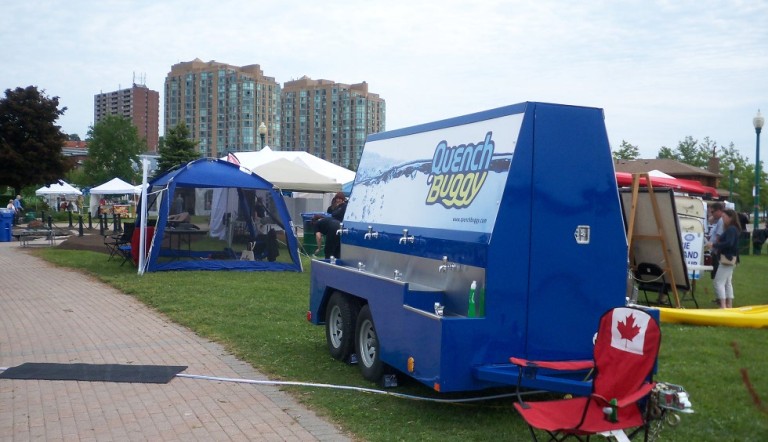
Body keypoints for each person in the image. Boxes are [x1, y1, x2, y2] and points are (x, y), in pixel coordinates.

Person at [711, 209, 741, 309]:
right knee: (727, 282)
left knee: (718, 282)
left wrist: (715, 245)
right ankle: (729, 305)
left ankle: (723, 306)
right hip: (731, 258)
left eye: (724, 217)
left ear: (730, 217)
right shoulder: (734, 229)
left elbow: (729, 243)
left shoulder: (731, 229)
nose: (722, 219)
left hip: (727, 258)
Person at [707, 202, 725, 281]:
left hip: (717, 252)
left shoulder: (721, 221)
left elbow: (718, 237)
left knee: (716, 277)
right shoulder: (720, 220)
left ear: (718, 211)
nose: (711, 214)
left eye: (712, 212)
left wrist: (715, 249)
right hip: (717, 251)